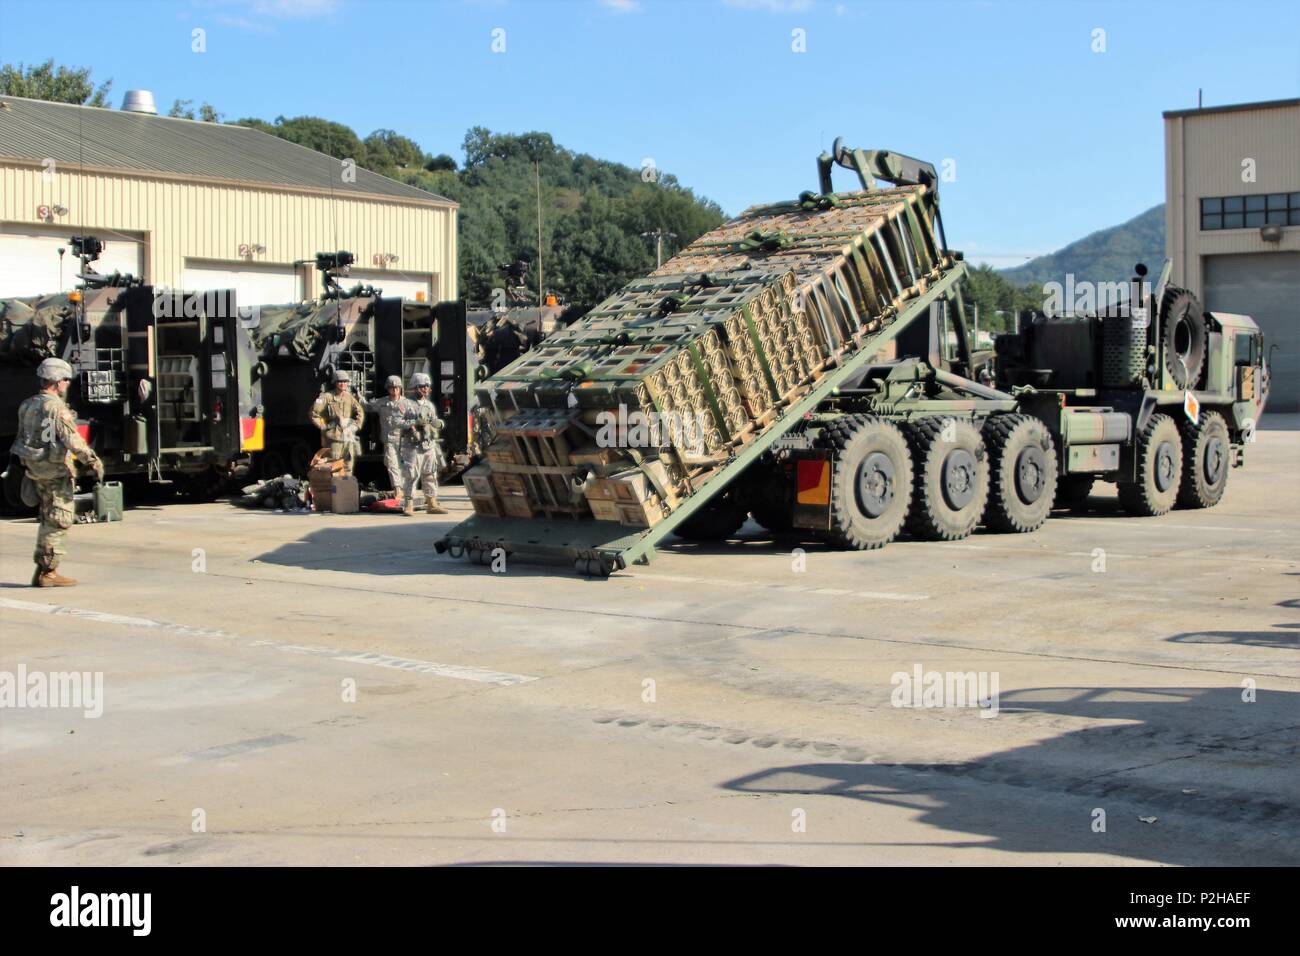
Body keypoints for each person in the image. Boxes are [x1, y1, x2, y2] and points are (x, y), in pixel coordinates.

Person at [10, 357, 103, 587]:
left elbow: (22, 437)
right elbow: (73, 440)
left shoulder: (27, 404)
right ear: (56, 381)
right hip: (55, 472)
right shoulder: (56, 408)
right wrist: (93, 462)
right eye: (65, 380)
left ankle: (43, 569)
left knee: (46, 518)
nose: (67, 384)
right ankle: (48, 572)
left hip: (34, 470)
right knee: (58, 520)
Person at [399, 372, 446, 515]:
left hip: (428, 445)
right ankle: (408, 504)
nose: (425, 389)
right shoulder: (405, 404)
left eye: (427, 386)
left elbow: (434, 421)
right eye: (422, 386)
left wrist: (438, 424)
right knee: (411, 475)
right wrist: (413, 423)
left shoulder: (429, 405)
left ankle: (431, 503)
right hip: (412, 446)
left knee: (430, 474)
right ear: (415, 387)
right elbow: (396, 422)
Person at [309, 369, 365, 475]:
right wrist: (323, 426)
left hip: (348, 435)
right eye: (340, 382)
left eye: (345, 382)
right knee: (334, 463)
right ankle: (335, 489)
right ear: (335, 383)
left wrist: (356, 426)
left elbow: (360, 411)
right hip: (334, 436)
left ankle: (345, 488)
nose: (343, 384)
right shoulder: (326, 397)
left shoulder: (349, 397)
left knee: (348, 465)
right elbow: (313, 413)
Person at [366, 375, 412, 498]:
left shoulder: (407, 404)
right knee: (392, 464)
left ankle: (407, 489)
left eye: (397, 387)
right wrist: (358, 399)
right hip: (389, 440)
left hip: (404, 440)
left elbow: (414, 419)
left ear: (400, 388)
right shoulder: (382, 403)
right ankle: (397, 488)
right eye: (392, 387)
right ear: (388, 389)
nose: (395, 390)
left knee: (406, 465)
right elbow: (368, 407)